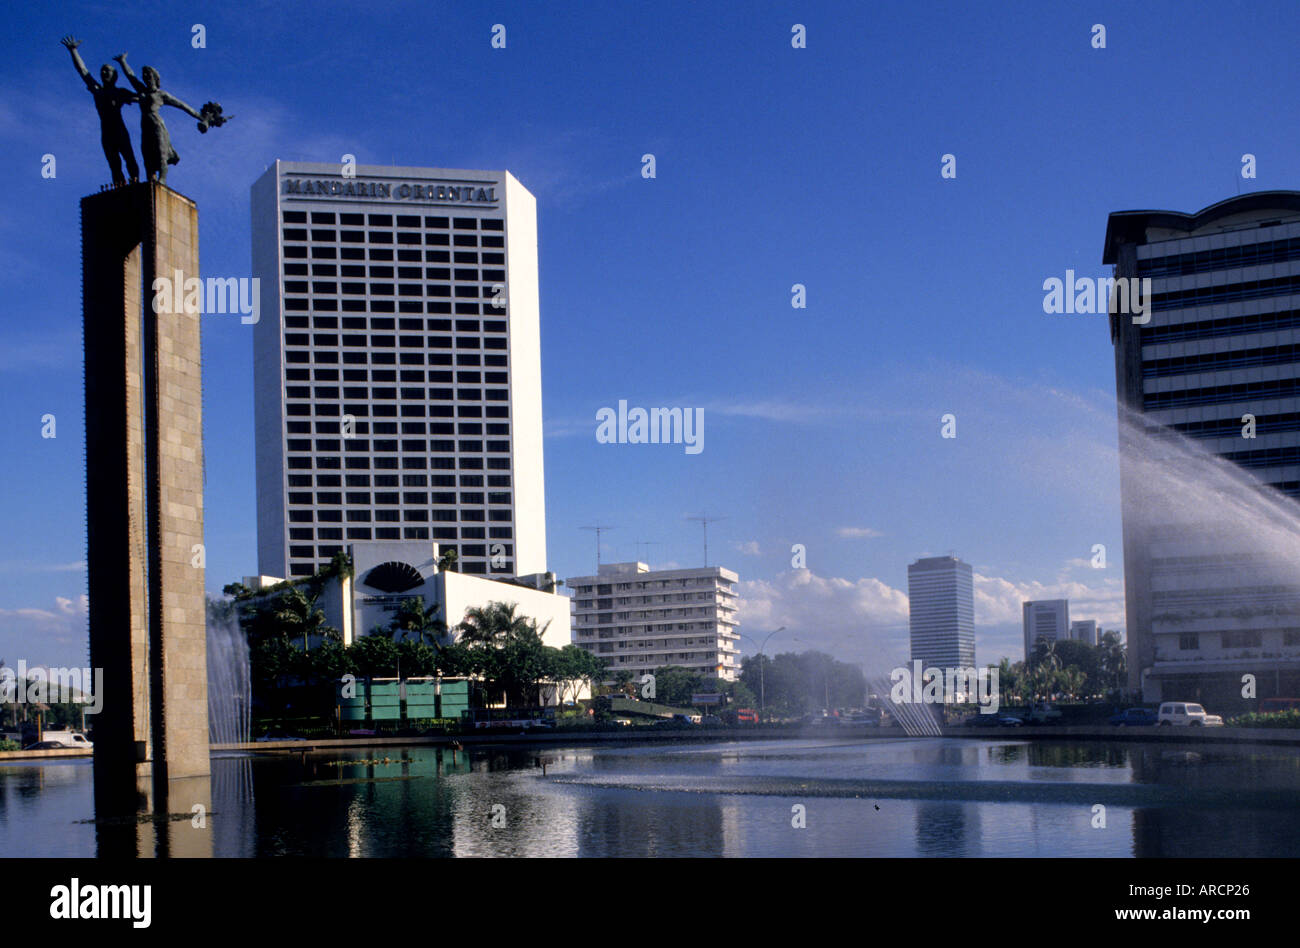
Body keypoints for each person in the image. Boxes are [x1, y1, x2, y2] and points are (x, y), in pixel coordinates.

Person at [113, 52, 220, 185]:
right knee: (147, 154)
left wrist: (199, 117)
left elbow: (182, 105)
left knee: (160, 152)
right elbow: (130, 76)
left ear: (155, 77)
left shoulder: (161, 95)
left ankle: (162, 180)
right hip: (145, 126)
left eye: (149, 74)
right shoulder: (142, 90)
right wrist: (123, 62)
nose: (146, 77)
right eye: (144, 75)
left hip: (157, 125)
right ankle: (151, 179)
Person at [59, 36, 139, 186]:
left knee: (129, 158)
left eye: (107, 71)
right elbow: (83, 71)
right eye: (102, 71)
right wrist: (73, 51)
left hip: (120, 129)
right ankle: (119, 187)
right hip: (106, 131)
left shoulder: (120, 92)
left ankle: (136, 182)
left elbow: (141, 97)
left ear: (115, 76)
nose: (104, 73)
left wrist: (124, 64)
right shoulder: (98, 91)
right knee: (114, 163)